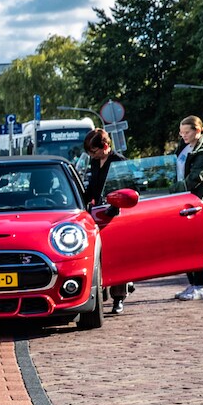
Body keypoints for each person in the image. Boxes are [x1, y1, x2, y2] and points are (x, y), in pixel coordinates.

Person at [81, 129, 131, 313]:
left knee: (118, 255)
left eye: (93, 151)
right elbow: (93, 186)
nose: (91, 155)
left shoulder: (119, 161)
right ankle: (101, 292)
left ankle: (119, 297)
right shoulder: (95, 162)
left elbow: (125, 187)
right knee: (100, 255)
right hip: (99, 213)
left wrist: (115, 206)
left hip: (115, 213)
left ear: (105, 146)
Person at [173, 115, 203, 301]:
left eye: (187, 132)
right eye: (181, 131)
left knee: (196, 246)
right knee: (185, 246)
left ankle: (200, 287)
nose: (182, 135)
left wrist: (171, 190)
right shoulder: (185, 146)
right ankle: (193, 284)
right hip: (184, 202)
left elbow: (194, 179)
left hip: (198, 205)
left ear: (198, 131)